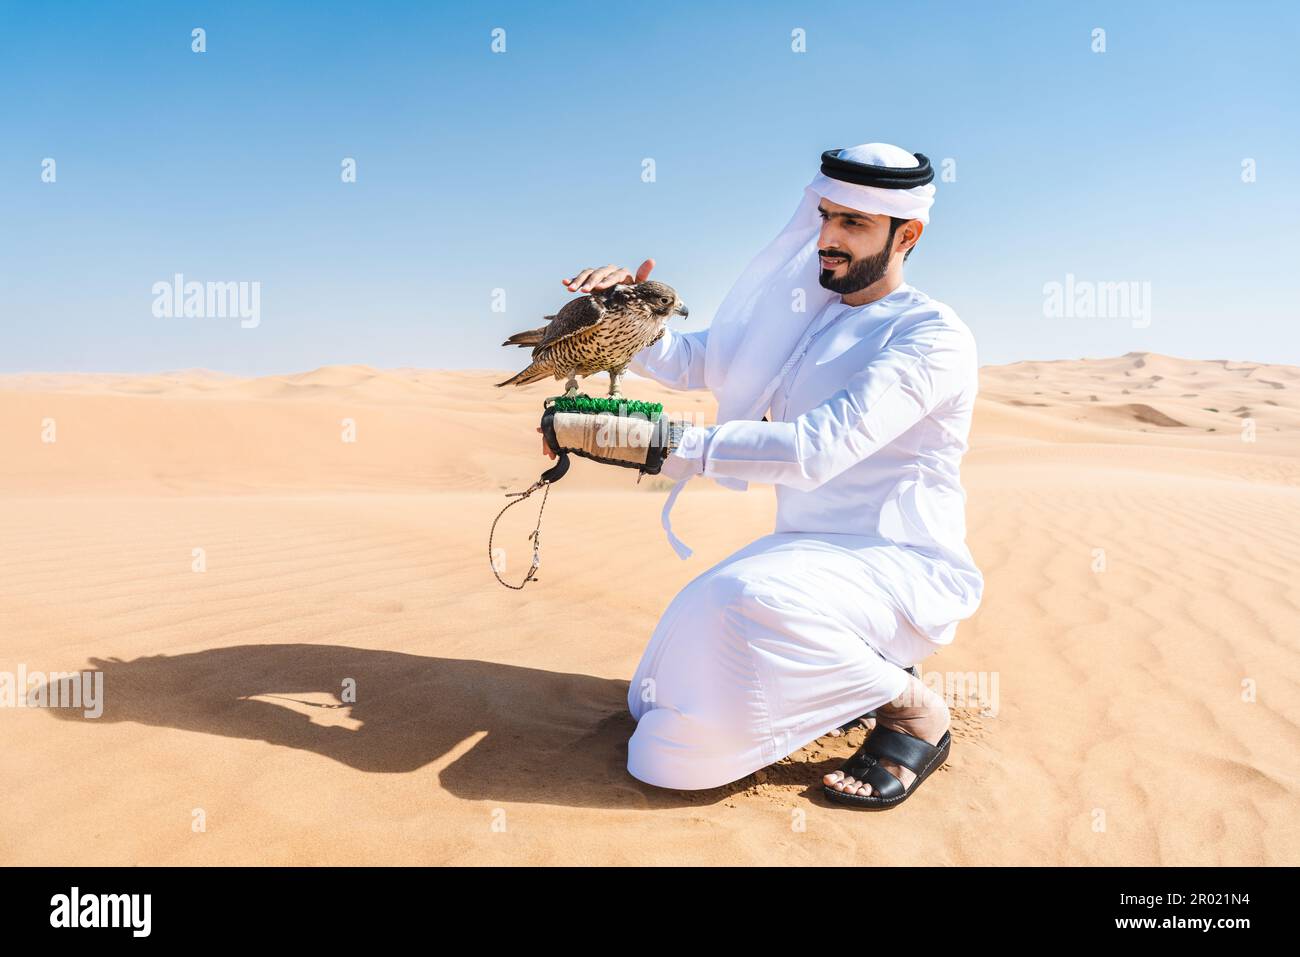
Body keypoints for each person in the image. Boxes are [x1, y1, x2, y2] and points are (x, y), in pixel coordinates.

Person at [546, 143, 983, 808]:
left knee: (738, 617)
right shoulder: (803, 310)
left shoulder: (930, 336)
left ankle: (912, 708)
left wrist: (663, 444)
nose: (828, 238)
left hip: (901, 566)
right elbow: (699, 361)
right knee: (655, 700)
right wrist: (621, 315)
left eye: (854, 224)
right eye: (827, 216)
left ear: (907, 233)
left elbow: (816, 449)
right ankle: (858, 665)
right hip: (806, 557)